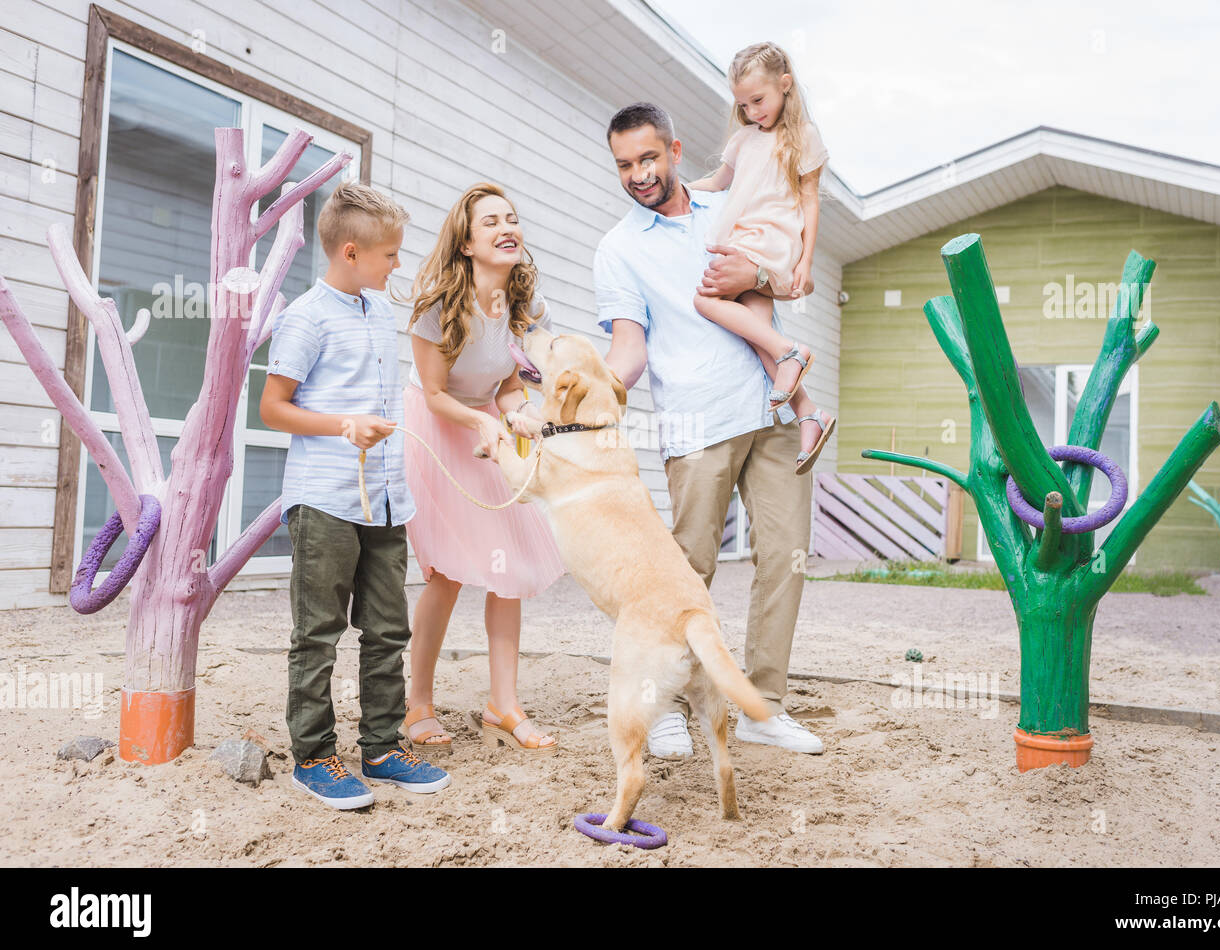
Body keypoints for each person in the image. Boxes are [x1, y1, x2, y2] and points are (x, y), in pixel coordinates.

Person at [595, 102, 825, 757]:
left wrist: (755, 273)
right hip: (697, 425)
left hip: (772, 409)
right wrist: (595, 394)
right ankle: (663, 704)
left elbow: (786, 274)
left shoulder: (728, 207)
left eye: (648, 157)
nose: (639, 174)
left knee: (784, 560)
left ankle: (762, 707)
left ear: (673, 147)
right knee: (684, 572)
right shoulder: (619, 249)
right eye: (625, 164)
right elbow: (630, 349)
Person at [261, 181, 449, 810]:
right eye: (389, 255)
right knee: (317, 632)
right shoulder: (306, 318)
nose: (397, 264)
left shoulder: (379, 312)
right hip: (325, 500)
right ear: (350, 252)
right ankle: (313, 757)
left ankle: (383, 746)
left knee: (387, 627)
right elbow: (273, 408)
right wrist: (344, 425)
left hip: (386, 498)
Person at [401, 182, 565, 759]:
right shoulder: (438, 306)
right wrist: (483, 424)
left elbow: (510, 386)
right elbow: (435, 392)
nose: (506, 227)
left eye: (512, 218)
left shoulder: (525, 307)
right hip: (438, 429)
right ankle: (418, 702)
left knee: (509, 569)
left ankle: (503, 703)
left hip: (485, 433)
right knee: (446, 572)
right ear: (467, 244)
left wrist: (519, 416)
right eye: (490, 221)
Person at [686, 41, 836, 474]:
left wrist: (806, 261)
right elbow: (717, 182)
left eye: (759, 100)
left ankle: (792, 350)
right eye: (743, 104)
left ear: (784, 85)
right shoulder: (743, 140)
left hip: (768, 241)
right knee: (758, 338)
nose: (752, 111)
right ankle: (811, 414)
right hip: (744, 238)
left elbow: (810, 200)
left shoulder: (804, 136)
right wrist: (677, 193)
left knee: (704, 300)